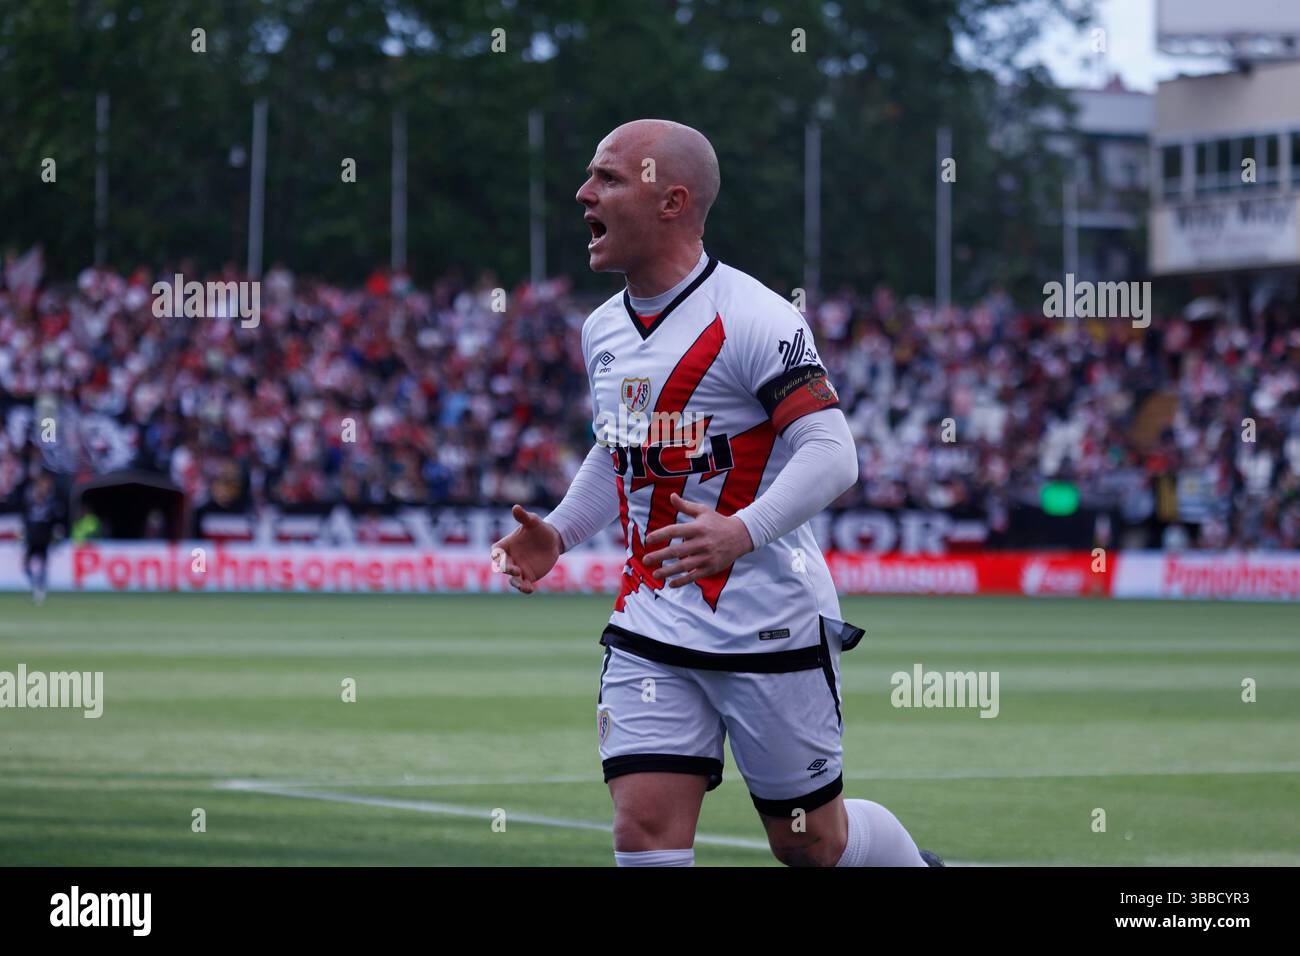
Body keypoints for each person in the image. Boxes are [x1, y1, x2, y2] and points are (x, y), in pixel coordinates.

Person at [491, 120, 940, 868]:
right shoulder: (601, 329)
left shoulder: (757, 318)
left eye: (606, 178)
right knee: (643, 829)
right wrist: (561, 533)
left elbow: (833, 452)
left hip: (767, 624)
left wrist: (740, 532)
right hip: (651, 619)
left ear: (671, 200)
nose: (583, 194)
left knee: (809, 845)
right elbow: (620, 449)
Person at [22, 470, 60, 605]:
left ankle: (41, 588)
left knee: (43, 566)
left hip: (43, 540)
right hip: (31, 540)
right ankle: (35, 585)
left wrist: (55, 535)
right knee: (25, 567)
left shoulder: (50, 506)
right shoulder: (29, 505)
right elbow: (25, 521)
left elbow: (56, 523)